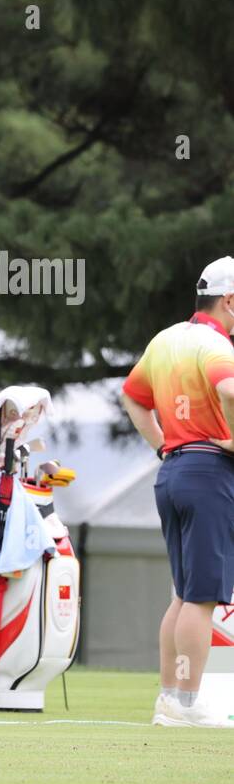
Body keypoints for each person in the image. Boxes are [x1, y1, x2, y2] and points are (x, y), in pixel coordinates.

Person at [121, 255, 234, 728]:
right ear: (230, 300)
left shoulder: (166, 338)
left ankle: (170, 700)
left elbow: (131, 394)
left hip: (174, 471)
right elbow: (230, 391)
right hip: (209, 474)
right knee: (202, 597)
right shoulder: (216, 345)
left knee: (184, 595)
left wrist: (163, 446)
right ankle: (186, 704)